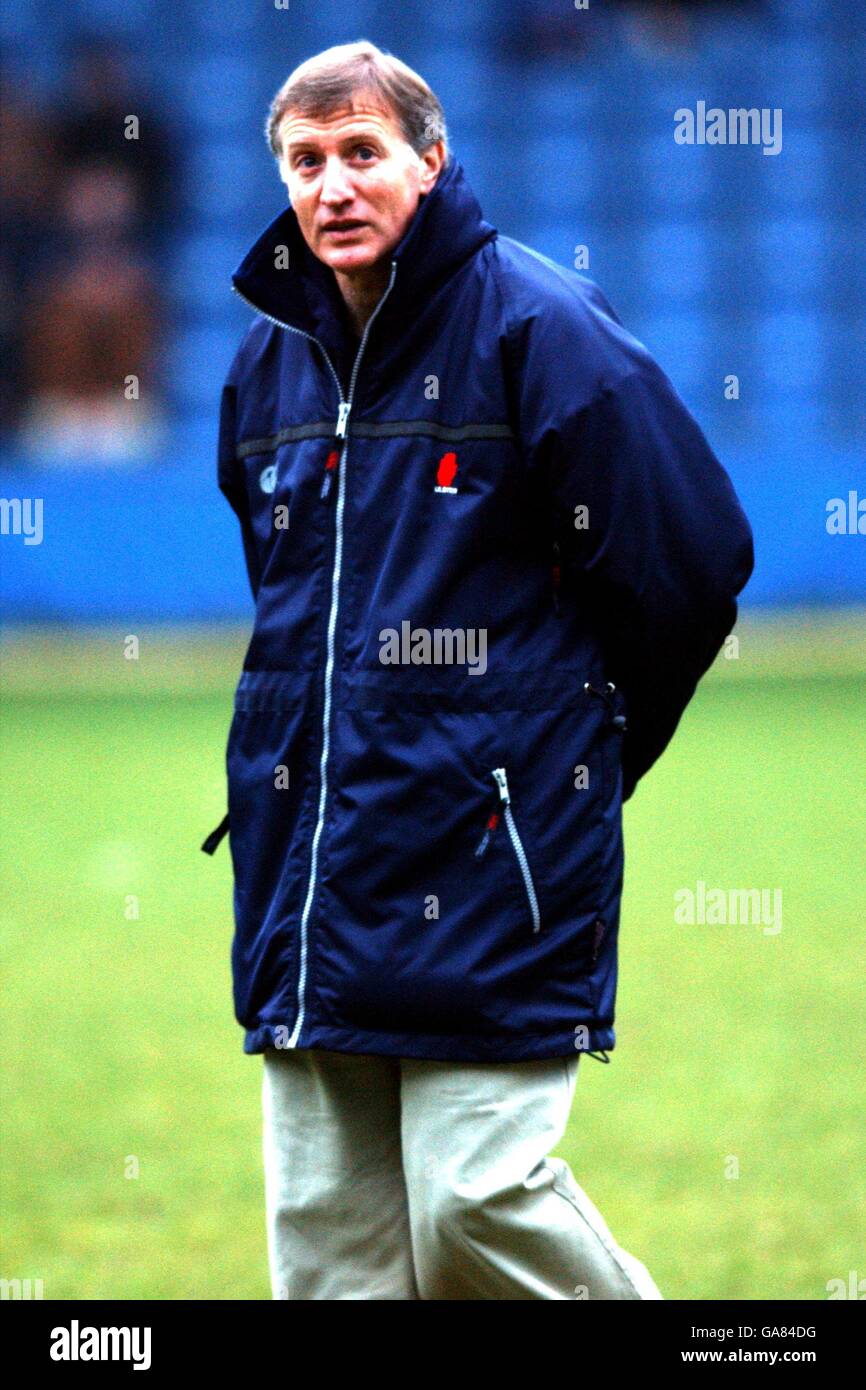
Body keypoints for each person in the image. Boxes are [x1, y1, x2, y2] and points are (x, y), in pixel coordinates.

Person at [204, 40, 754, 1300]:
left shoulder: (537, 324)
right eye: (305, 160)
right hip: (309, 863)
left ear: (430, 160)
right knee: (333, 1259)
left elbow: (687, 561)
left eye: (361, 153)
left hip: (490, 852)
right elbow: (292, 597)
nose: (332, 185)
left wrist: (575, 749)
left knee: (473, 1204)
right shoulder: (262, 361)